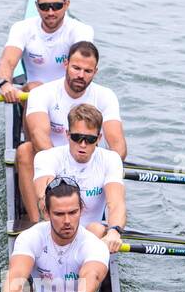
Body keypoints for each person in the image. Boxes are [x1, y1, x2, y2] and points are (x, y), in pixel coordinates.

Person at [17, 41, 126, 221]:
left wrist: (110, 166)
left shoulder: (106, 96)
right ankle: (37, 222)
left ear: (95, 72)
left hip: (89, 157)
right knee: (25, 151)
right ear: (66, 64)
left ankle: (107, 214)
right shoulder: (42, 93)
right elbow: (38, 135)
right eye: (76, 68)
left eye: (87, 71)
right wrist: (64, 173)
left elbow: (118, 145)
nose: (80, 75)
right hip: (51, 156)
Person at [31, 103, 126, 251]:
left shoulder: (111, 159)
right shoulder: (47, 157)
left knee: (97, 229)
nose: (82, 144)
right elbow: (43, 199)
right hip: (55, 232)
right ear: (67, 135)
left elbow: (116, 203)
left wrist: (114, 231)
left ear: (99, 138)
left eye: (89, 139)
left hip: (90, 235)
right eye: (77, 137)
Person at [0, 0, 94, 102]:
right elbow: (7, 62)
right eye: (44, 7)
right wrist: (5, 84)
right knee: (35, 88)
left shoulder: (81, 30)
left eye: (57, 6)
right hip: (32, 94)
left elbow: (84, 63)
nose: (51, 12)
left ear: (66, 4)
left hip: (69, 93)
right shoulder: (22, 28)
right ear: (36, 6)